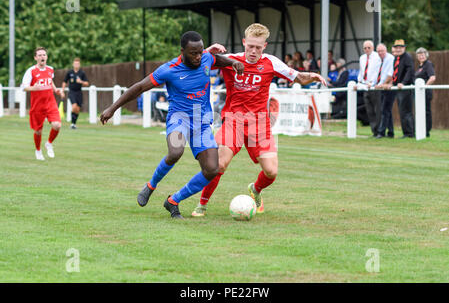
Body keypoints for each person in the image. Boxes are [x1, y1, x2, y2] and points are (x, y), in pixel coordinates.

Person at [100, 31, 244, 219]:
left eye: (201, 52)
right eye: (194, 53)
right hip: (179, 118)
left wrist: (233, 63)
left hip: (201, 121)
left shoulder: (206, 58)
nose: (199, 57)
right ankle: (151, 185)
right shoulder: (169, 69)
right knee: (176, 152)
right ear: (182, 51)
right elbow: (139, 87)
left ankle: (173, 201)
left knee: (212, 169)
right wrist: (112, 108)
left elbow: (218, 59)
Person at [191, 23, 326, 217]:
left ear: (265, 46)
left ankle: (255, 189)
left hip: (259, 125)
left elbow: (297, 77)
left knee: (271, 171)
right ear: (244, 42)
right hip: (233, 121)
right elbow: (195, 60)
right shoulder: (230, 60)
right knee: (220, 164)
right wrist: (207, 51)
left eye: (258, 47)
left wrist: (311, 76)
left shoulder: (271, 63)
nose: (253, 51)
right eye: (250, 46)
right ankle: (202, 204)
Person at [21, 47, 65, 160]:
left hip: (50, 103)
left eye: (44, 55)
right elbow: (24, 87)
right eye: (39, 55)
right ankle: (38, 151)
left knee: (57, 125)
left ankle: (49, 143)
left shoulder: (50, 69)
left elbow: (51, 81)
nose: (42, 57)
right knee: (38, 131)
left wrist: (56, 90)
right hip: (37, 105)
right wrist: (34, 88)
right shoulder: (31, 71)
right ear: (35, 58)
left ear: (47, 57)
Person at [354, 40, 382, 137]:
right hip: (365, 86)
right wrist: (359, 82)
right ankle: (374, 131)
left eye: (368, 48)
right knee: (369, 110)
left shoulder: (377, 57)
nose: (366, 50)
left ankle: (379, 131)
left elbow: (377, 71)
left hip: (374, 86)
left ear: (372, 48)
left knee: (377, 109)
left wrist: (372, 83)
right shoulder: (362, 58)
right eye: (365, 48)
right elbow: (362, 72)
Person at [391, 39, 415, 138]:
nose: (398, 49)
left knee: (406, 111)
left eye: (400, 47)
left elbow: (410, 71)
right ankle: (406, 133)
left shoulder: (407, 57)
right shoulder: (397, 58)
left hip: (406, 88)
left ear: (404, 48)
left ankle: (409, 133)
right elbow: (395, 73)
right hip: (398, 88)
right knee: (402, 111)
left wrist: (403, 83)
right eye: (397, 47)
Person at [61, 58, 89, 129]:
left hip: (79, 92)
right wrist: (62, 91)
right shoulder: (70, 72)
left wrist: (81, 82)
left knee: (77, 109)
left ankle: (73, 124)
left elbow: (87, 83)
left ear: (79, 65)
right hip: (72, 92)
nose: (76, 65)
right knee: (74, 106)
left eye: (78, 64)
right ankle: (72, 123)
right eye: (75, 63)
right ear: (73, 64)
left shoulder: (82, 73)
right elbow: (64, 81)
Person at [375, 43, 395, 138]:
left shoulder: (390, 58)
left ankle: (381, 132)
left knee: (384, 110)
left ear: (386, 50)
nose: (380, 53)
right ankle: (390, 132)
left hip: (388, 87)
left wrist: (381, 84)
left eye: (382, 51)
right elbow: (378, 73)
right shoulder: (379, 60)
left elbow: (390, 74)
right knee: (387, 110)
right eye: (378, 51)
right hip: (382, 87)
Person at [415, 47, 436, 137]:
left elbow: (432, 78)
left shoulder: (428, 64)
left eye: (423, 54)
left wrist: (424, 87)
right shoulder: (420, 66)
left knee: (426, 112)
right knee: (420, 112)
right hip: (419, 94)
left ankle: (426, 131)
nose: (421, 56)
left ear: (426, 55)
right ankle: (421, 130)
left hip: (425, 93)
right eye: (419, 55)